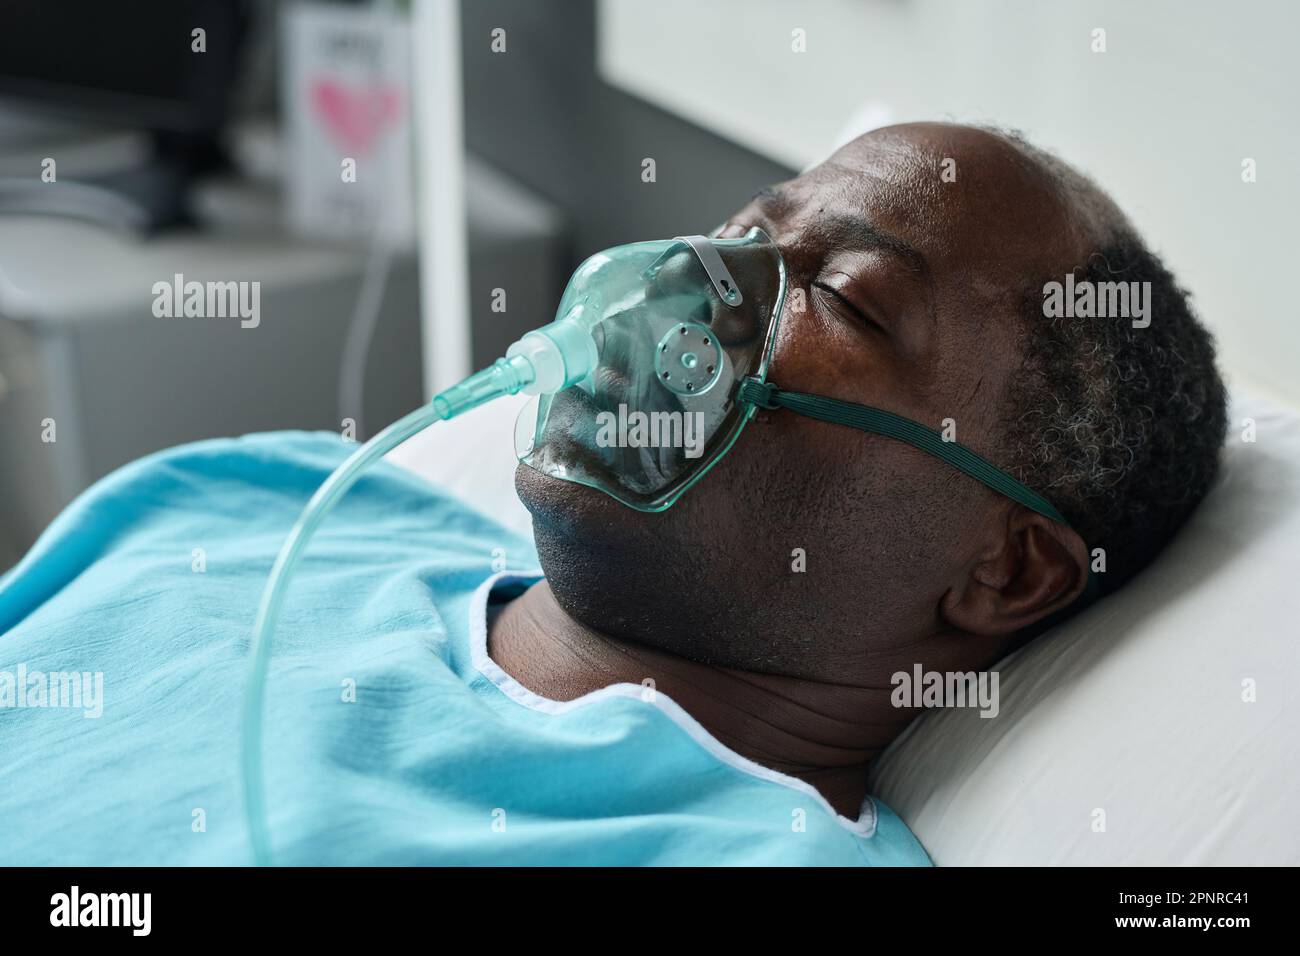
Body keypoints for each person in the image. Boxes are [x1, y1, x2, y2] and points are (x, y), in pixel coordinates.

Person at [0, 123, 1225, 866]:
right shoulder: (247, 501)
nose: (694, 283)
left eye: (846, 299)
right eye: (737, 229)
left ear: (1003, 568)